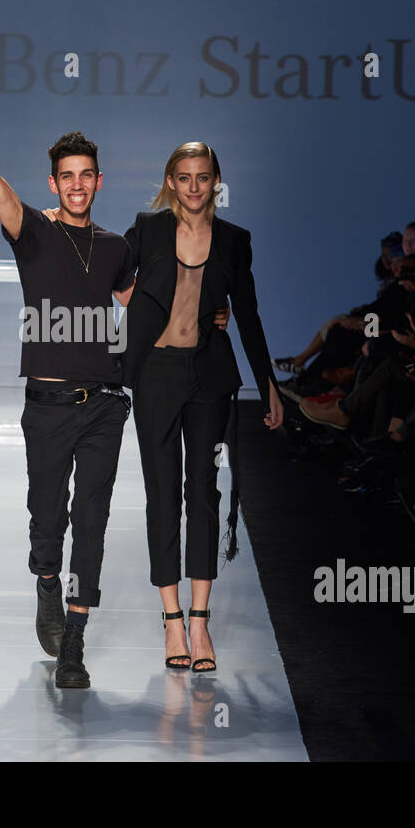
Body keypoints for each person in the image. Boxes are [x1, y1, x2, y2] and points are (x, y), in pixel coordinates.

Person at [0, 79, 141, 689]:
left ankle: (74, 643)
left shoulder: (117, 248)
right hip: (48, 404)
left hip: (105, 404)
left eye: (87, 175)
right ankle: (46, 581)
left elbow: (137, 314)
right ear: (54, 183)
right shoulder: (35, 232)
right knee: (47, 516)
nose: (77, 185)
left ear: (98, 181)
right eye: (67, 176)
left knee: (94, 515)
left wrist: (202, 319)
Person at [121, 142, 283, 672]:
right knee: (162, 492)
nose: (194, 186)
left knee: (205, 493)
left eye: (203, 176)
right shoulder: (147, 229)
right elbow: (109, 269)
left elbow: (252, 314)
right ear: (170, 180)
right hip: (157, 374)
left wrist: (271, 384)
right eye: (184, 177)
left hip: (209, 376)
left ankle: (201, 620)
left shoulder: (236, 241)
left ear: (216, 180)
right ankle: (171, 622)